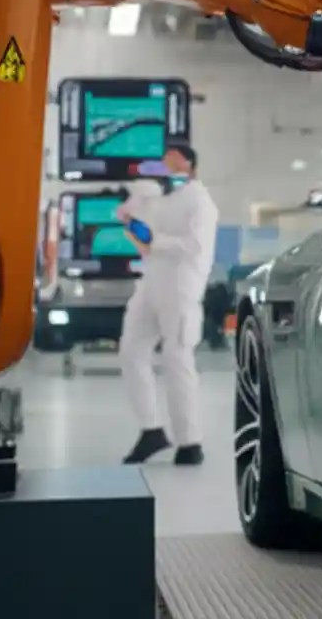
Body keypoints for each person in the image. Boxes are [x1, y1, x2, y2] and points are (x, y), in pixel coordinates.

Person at [116, 144, 219, 465]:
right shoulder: (162, 198)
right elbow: (135, 228)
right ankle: (151, 430)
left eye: (171, 159)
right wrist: (134, 213)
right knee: (131, 350)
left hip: (181, 286)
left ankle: (190, 442)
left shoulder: (201, 201)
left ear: (189, 163)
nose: (165, 165)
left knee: (177, 358)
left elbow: (195, 246)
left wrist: (155, 240)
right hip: (151, 282)